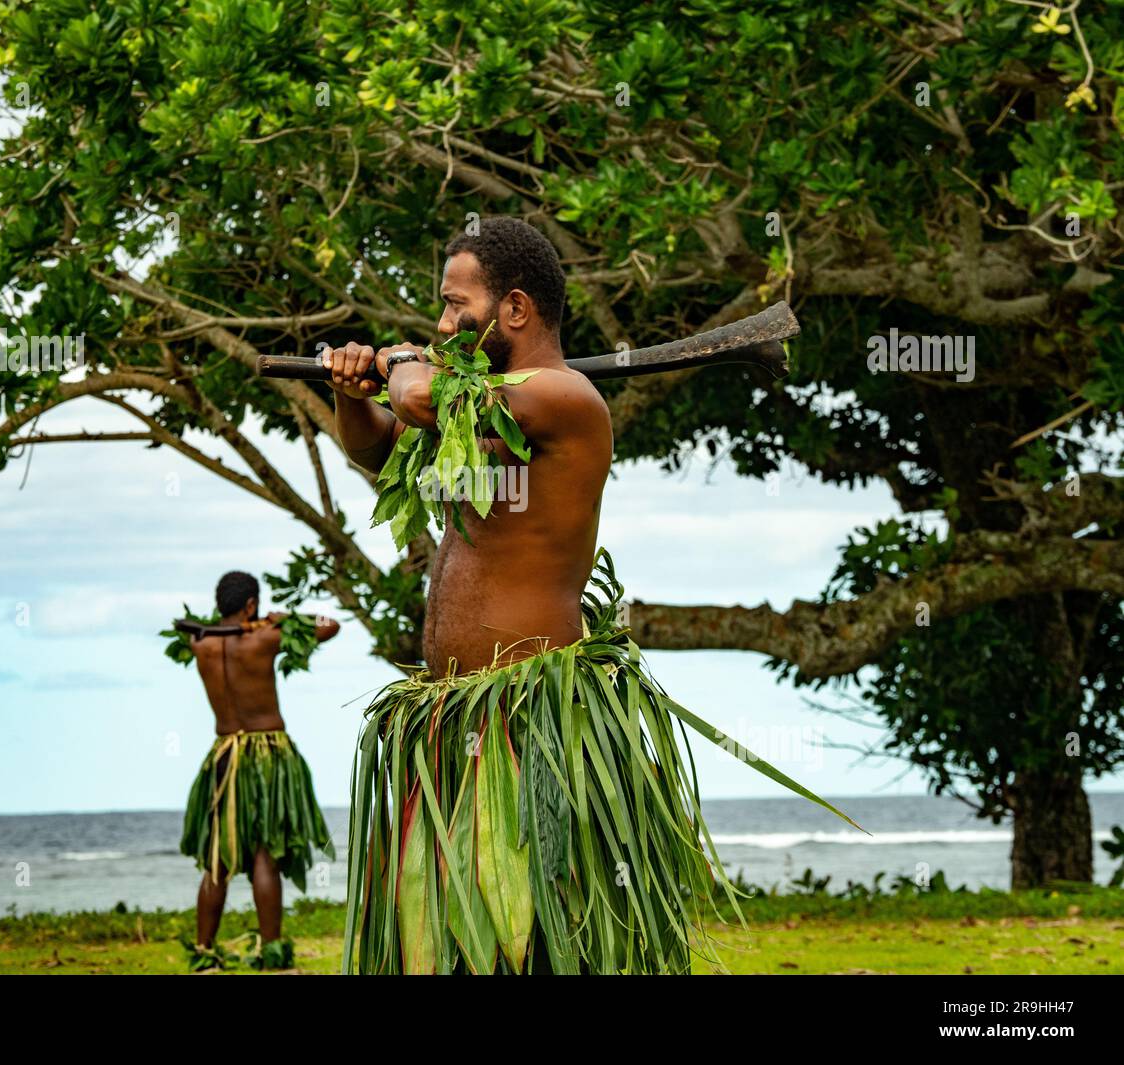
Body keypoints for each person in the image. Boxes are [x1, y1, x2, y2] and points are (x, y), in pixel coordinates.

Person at [326, 216, 848, 974]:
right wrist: (350, 390)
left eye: (452, 306)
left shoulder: (564, 399)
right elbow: (383, 448)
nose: (440, 325)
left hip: (531, 720)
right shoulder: (486, 414)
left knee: (535, 940)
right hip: (450, 718)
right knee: (456, 950)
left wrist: (401, 361)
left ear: (514, 309)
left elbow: (420, 403)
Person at [179, 570, 339, 971]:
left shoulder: (199, 642)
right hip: (269, 756)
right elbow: (329, 626)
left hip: (225, 755)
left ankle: (204, 956)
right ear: (251, 604)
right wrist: (282, 618)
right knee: (266, 856)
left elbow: (197, 628)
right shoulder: (266, 638)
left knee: (218, 859)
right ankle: (272, 955)